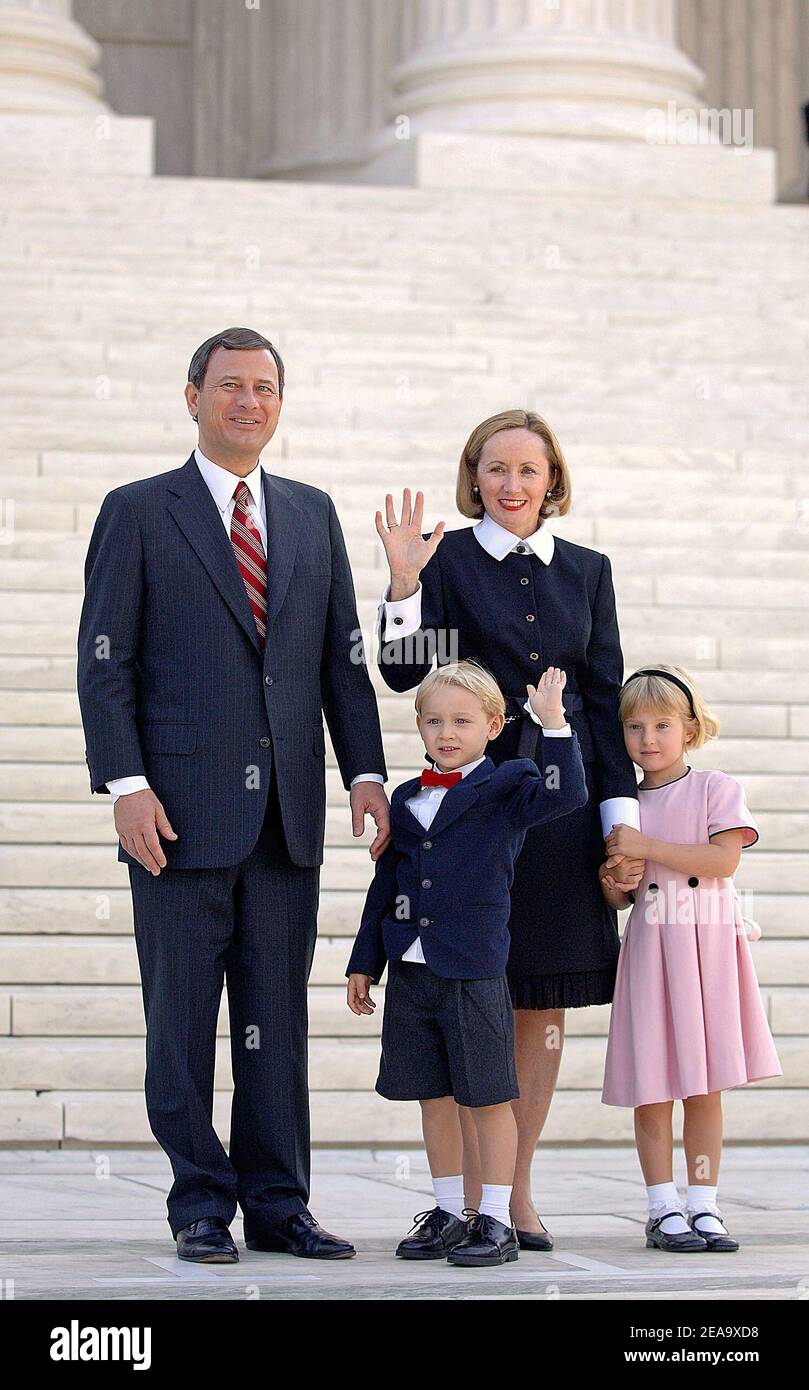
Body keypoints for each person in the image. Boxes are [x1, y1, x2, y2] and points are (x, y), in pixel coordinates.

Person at [77, 327, 390, 1263]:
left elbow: (342, 660)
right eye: (229, 386)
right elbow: (106, 665)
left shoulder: (310, 511)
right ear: (192, 397)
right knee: (180, 1024)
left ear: (279, 404)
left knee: (274, 1022)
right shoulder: (138, 512)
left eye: (264, 388)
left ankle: (280, 1204)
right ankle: (200, 1205)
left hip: (284, 820)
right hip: (174, 818)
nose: (247, 401)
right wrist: (126, 783)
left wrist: (364, 772)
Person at [375, 409, 641, 1245]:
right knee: (466, 996)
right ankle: (462, 1203)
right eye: (496, 469)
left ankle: (511, 1193)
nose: (512, 484)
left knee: (537, 1005)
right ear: (474, 476)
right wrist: (402, 586)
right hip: (475, 818)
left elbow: (603, 701)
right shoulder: (446, 559)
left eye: (529, 470)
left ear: (551, 480)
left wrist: (620, 823)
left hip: (559, 815)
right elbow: (404, 673)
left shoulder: (589, 571)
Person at [346, 660, 587, 1267]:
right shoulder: (406, 798)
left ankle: (497, 1219)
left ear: (493, 724)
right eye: (433, 721)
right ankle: (449, 1211)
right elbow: (386, 884)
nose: (446, 732)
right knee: (433, 1094)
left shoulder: (509, 785)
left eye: (461, 720)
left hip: (473, 965)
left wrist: (554, 722)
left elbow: (567, 794)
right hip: (412, 967)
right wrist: (365, 961)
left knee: (487, 1096)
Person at [600, 664, 782, 1252]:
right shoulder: (618, 804)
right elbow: (617, 892)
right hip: (652, 951)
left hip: (705, 948)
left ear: (690, 728)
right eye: (633, 726)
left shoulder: (715, 788)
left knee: (706, 1086)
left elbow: (722, 863)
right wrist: (615, 873)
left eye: (661, 724)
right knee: (652, 1085)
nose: (647, 739)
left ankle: (704, 1204)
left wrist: (645, 848)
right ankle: (662, 1208)